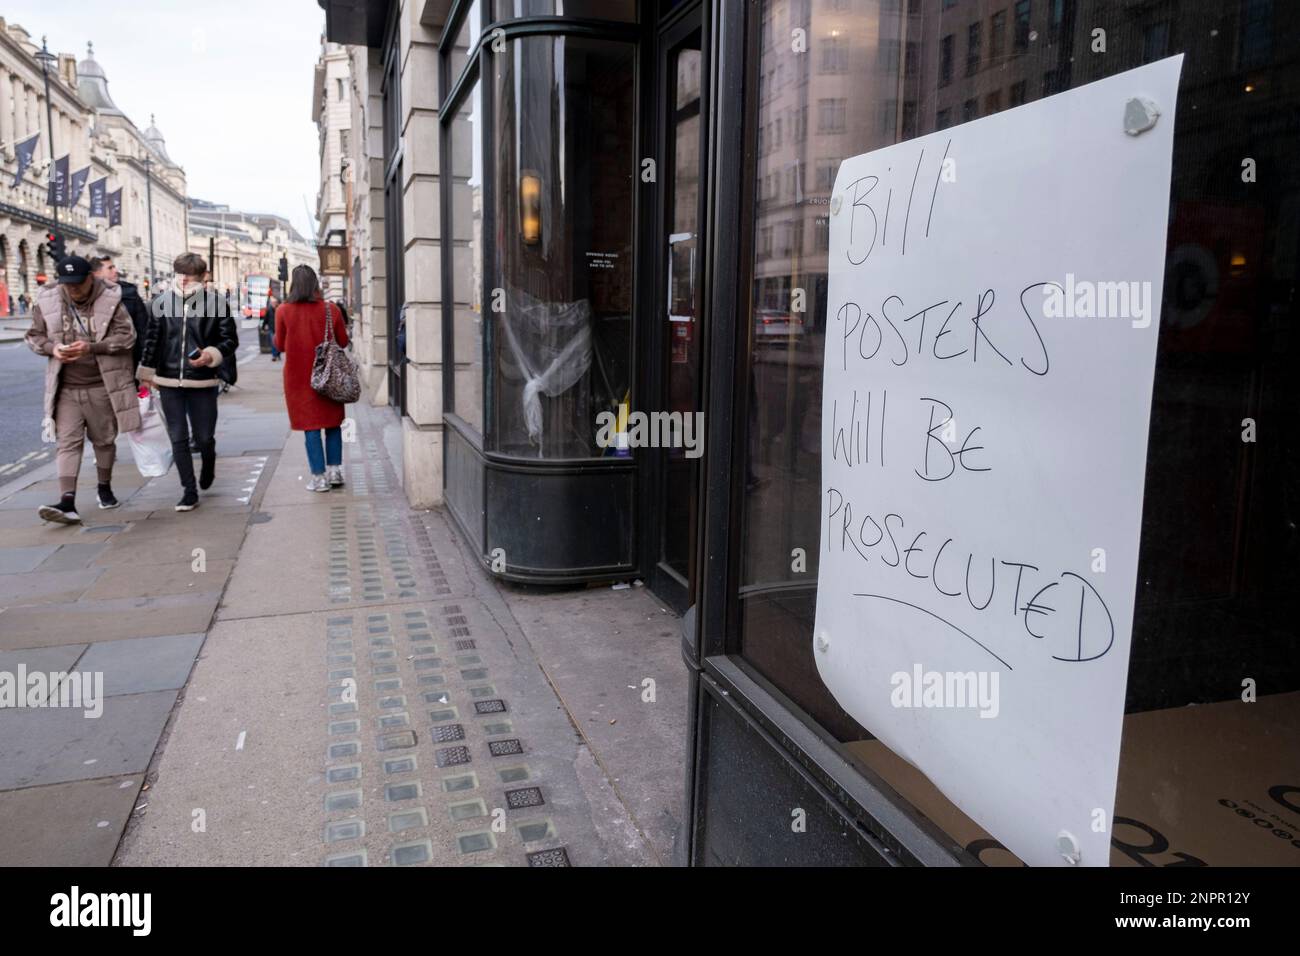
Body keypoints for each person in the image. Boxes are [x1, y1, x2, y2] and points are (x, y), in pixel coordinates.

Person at [25, 255, 140, 524]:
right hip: (65, 387)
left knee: (103, 441)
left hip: (102, 385)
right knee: (67, 443)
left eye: (78, 283)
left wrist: (92, 347)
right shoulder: (48, 299)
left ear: (91, 277)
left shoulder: (112, 299)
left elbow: (128, 338)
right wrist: (53, 348)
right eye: (67, 284)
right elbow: (34, 336)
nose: (73, 289)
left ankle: (104, 486)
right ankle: (67, 501)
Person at [137, 253, 238, 511]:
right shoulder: (161, 302)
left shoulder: (216, 303)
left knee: (204, 437)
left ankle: (209, 460)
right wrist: (146, 375)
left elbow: (229, 340)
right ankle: (188, 491)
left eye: (190, 275)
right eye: (180, 274)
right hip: (169, 381)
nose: (184, 279)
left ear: (202, 277)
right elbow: (151, 341)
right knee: (178, 437)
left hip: (202, 382)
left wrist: (210, 355)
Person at [275, 265, 349, 492]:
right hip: (329, 375)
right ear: (316, 284)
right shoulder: (331, 310)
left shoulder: (283, 311)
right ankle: (335, 471)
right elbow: (343, 342)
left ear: (293, 285)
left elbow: (279, 345)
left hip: (299, 378)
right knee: (333, 423)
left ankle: (319, 478)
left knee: (311, 427)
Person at [90, 256, 150, 378]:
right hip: (98, 362)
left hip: (129, 359)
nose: (115, 271)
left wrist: (145, 362)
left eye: (114, 267)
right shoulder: (87, 297)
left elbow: (143, 328)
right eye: (110, 268)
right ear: (96, 273)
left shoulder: (129, 293)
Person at [264, 293, 280, 361]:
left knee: (278, 342)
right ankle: (274, 355)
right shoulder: (269, 309)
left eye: (275, 302)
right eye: (272, 302)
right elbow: (266, 319)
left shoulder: (279, 309)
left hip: (278, 329)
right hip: (272, 328)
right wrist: (263, 326)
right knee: (273, 343)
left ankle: (277, 354)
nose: (273, 304)